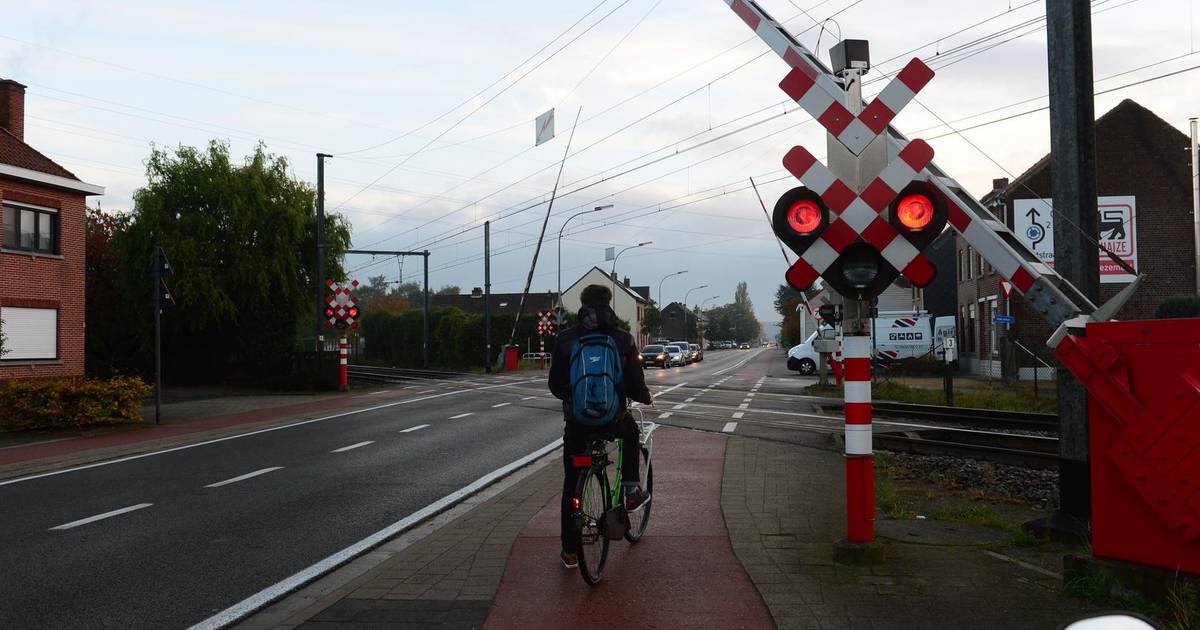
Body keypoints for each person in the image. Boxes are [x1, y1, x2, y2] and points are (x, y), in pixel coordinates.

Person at [548, 284, 653, 569]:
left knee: (572, 484)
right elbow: (633, 382)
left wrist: (574, 398)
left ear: (582, 304)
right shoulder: (622, 338)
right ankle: (632, 491)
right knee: (631, 433)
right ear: (609, 303)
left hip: (578, 423)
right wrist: (644, 396)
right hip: (613, 419)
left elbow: (555, 385)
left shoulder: (567, 338)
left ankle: (570, 552)